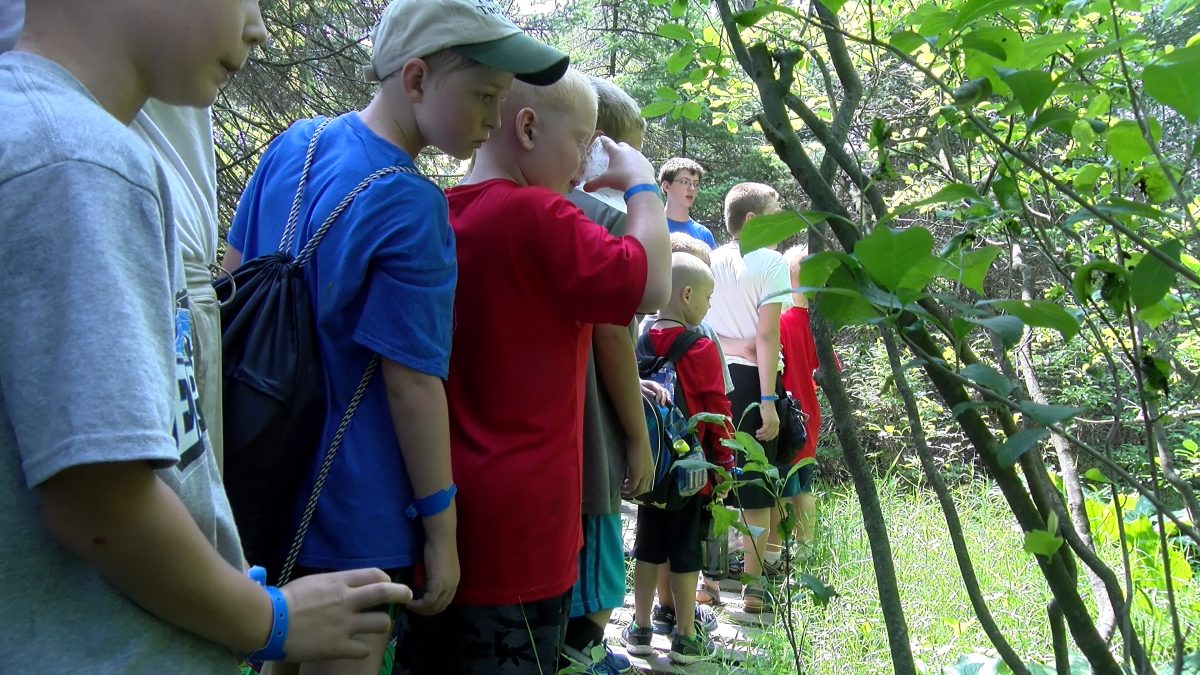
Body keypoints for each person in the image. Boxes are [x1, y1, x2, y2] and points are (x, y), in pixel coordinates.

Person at [0, 0, 414, 671]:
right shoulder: (83, 161)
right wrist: (272, 619)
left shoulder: (47, 135)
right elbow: (101, 500)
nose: (258, 27)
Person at [224, 2, 568, 673]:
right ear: (415, 80)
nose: (493, 121)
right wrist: (442, 529)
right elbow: (411, 382)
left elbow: (230, 285)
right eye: (484, 96)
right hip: (355, 507)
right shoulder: (412, 205)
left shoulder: (295, 143)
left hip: (265, 479)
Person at [400, 67, 670, 674]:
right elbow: (653, 283)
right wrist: (642, 184)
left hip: (440, 509)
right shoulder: (538, 218)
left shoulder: (436, 211)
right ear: (525, 127)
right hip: (525, 530)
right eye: (580, 141)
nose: (584, 163)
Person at [561, 75, 654, 675]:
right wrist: (639, 437)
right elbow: (613, 334)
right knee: (595, 564)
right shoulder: (603, 217)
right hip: (589, 427)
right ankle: (581, 649)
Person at [621, 252, 734, 665]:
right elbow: (717, 409)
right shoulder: (700, 345)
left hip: (652, 467)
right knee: (686, 549)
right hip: (691, 470)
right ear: (686, 295)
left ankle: (640, 627)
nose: (708, 306)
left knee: (647, 544)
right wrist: (724, 464)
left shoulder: (641, 338)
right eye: (707, 297)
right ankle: (685, 635)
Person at [705, 182, 790, 613]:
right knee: (755, 483)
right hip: (755, 387)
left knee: (714, 482)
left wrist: (733, 346)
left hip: (713, 383)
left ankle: (708, 581)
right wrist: (769, 400)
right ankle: (754, 588)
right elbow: (768, 334)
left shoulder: (711, 259)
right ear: (753, 220)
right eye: (776, 210)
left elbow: (700, 323)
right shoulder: (772, 262)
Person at [659, 157, 717, 249]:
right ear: (667, 186)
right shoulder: (652, 227)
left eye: (695, 184)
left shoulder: (704, 234)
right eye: (685, 182)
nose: (692, 188)